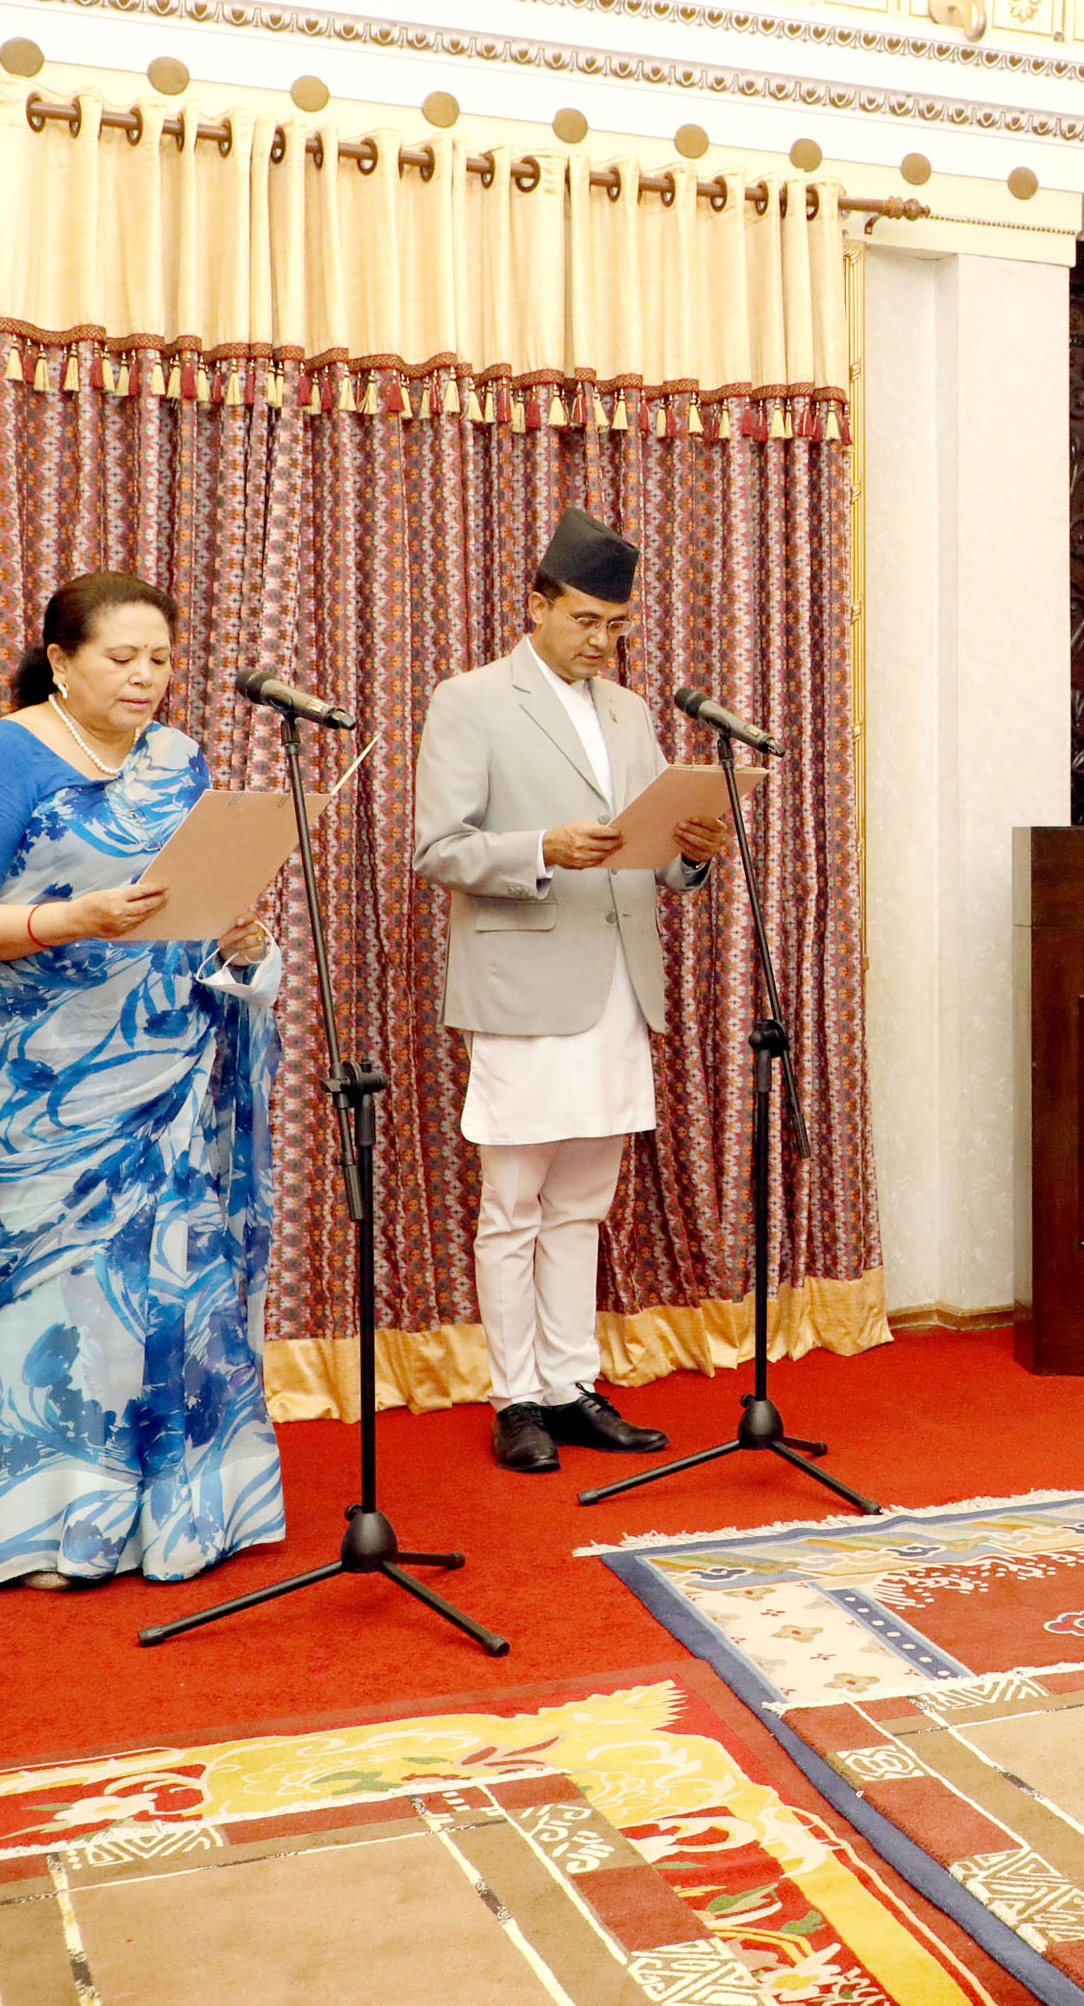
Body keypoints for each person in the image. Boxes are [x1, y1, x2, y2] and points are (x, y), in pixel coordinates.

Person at [0, 571, 287, 1592]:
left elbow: (194, 898)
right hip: (23, 1087)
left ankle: (175, 1521)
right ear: (61, 658)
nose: (146, 677)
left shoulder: (179, 761)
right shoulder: (4, 755)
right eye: (122, 657)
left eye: (161, 659)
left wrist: (237, 935)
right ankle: (43, 1532)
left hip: (161, 1068)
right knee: (55, 1318)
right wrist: (72, 919)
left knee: (170, 1295)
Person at [412, 507, 734, 1475]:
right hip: (523, 985)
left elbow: (647, 859)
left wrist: (693, 858)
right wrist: (538, 851)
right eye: (586, 621)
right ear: (535, 605)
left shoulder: (633, 714)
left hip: (619, 989)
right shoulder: (471, 700)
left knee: (584, 1202)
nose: (602, 641)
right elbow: (438, 848)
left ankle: (569, 1382)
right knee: (512, 1201)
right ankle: (514, 1398)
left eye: (617, 626)